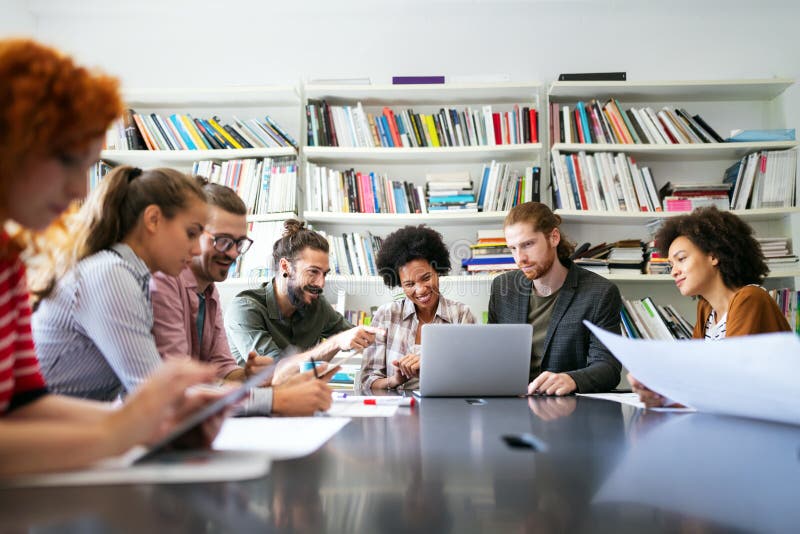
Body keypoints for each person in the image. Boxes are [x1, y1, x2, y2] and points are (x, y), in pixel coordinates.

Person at [0, 38, 224, 476]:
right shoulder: (110, 274)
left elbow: (23, 405)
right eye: (68, 161)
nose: (80, 191)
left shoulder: (9, 261)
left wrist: (151, 425)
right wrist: (119, 431)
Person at [150, 180, 333, 415]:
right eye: (223, 241)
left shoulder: (210, 293)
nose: (234, 253)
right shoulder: (163, 282)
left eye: (239, 243)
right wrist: (275, 399)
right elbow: (178, 388)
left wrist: (249, 375)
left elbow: (224, 369)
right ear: (193, 234)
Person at [32, 164, 211, 400]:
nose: (198, 249)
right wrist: (266, 400)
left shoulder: (129, 275)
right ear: (153, 219)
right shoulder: (109, 274)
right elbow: (153, 394)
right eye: (191, 233)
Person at [629, 206, 791, 407]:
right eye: (671, 265)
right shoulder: (706, 309)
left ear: (714, 256)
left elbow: (729, 382)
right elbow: (697, 374)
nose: (674, 272)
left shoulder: (751, 297)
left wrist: (667, 398)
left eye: (681, 259)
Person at [488, 202, 622, 395]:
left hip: (566, 408)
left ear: (554, 237)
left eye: (528, 244)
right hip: (510, 406)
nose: (520, 258)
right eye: (513, 248)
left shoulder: (600, 293)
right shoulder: (503, 287)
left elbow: (608, 367)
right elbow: (492, 356)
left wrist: (572, 379)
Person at [225, 219, 381, 373]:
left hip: (299, 395)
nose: (321, 284)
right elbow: (276, 371)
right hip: (254, 397)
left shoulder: (316, 305)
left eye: (324, 274)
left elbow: (353, 335)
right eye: (313, 272)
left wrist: (378, 336)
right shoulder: (244, 309)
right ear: (285, 266)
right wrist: (336, 343)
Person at [360, 225, 475, 390]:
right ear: (399, 284)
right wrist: (395, 380)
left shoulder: (461, 315)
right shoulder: (386, 315)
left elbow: (471, 377)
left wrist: (433, 367)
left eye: (426, 277)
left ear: (438, 270)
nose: (421, 290)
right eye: (409, 284)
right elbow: (368, 382)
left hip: (446, 409)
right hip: (397, 411)